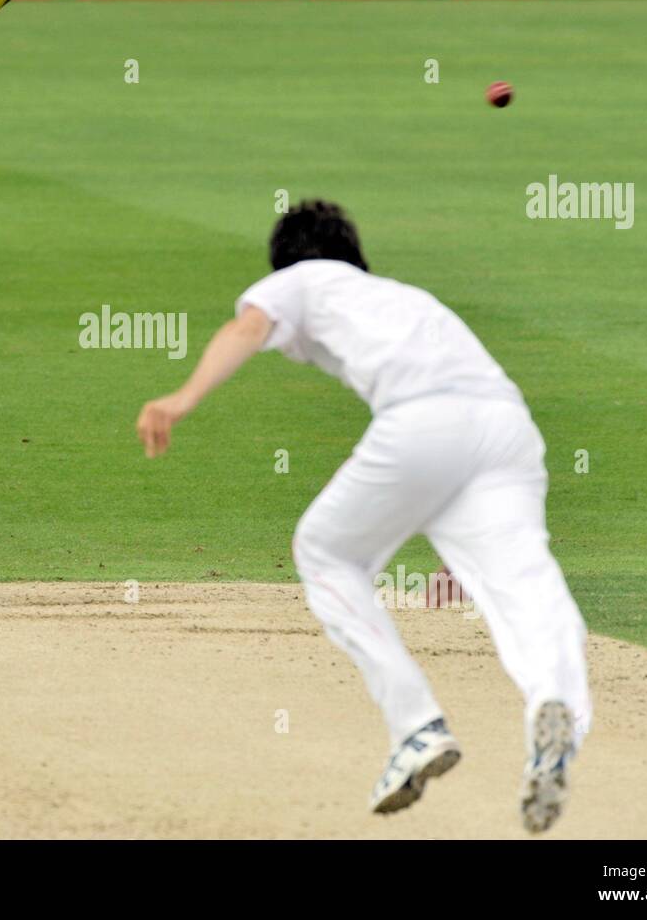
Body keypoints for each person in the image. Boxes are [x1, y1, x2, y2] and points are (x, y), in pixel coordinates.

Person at [135, 200, 591, 833]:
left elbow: (248, 327)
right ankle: (557, 706)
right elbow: (470, 428)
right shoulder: (404, 297)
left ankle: (416, 726)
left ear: (290, 260)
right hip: (507, 429)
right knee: (525, 584)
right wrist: (458, 546)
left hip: (423, 420)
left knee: (325, 553)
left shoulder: (302, 277)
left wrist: (180, 399)